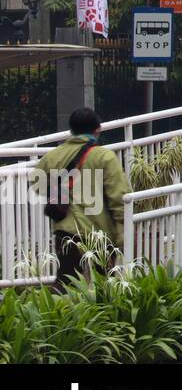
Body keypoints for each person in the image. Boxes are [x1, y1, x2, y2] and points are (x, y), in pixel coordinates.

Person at [31, 107, 128, 290]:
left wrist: (57, 191)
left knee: (66, 284)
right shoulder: (105, 156)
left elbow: (36, 183)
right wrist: (123, 232)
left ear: (71, 131)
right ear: (97, 130)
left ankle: (57, 317)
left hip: (66, 231)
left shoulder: (53, 156)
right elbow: (119, 197)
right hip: (100, 232)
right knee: (104, 286)